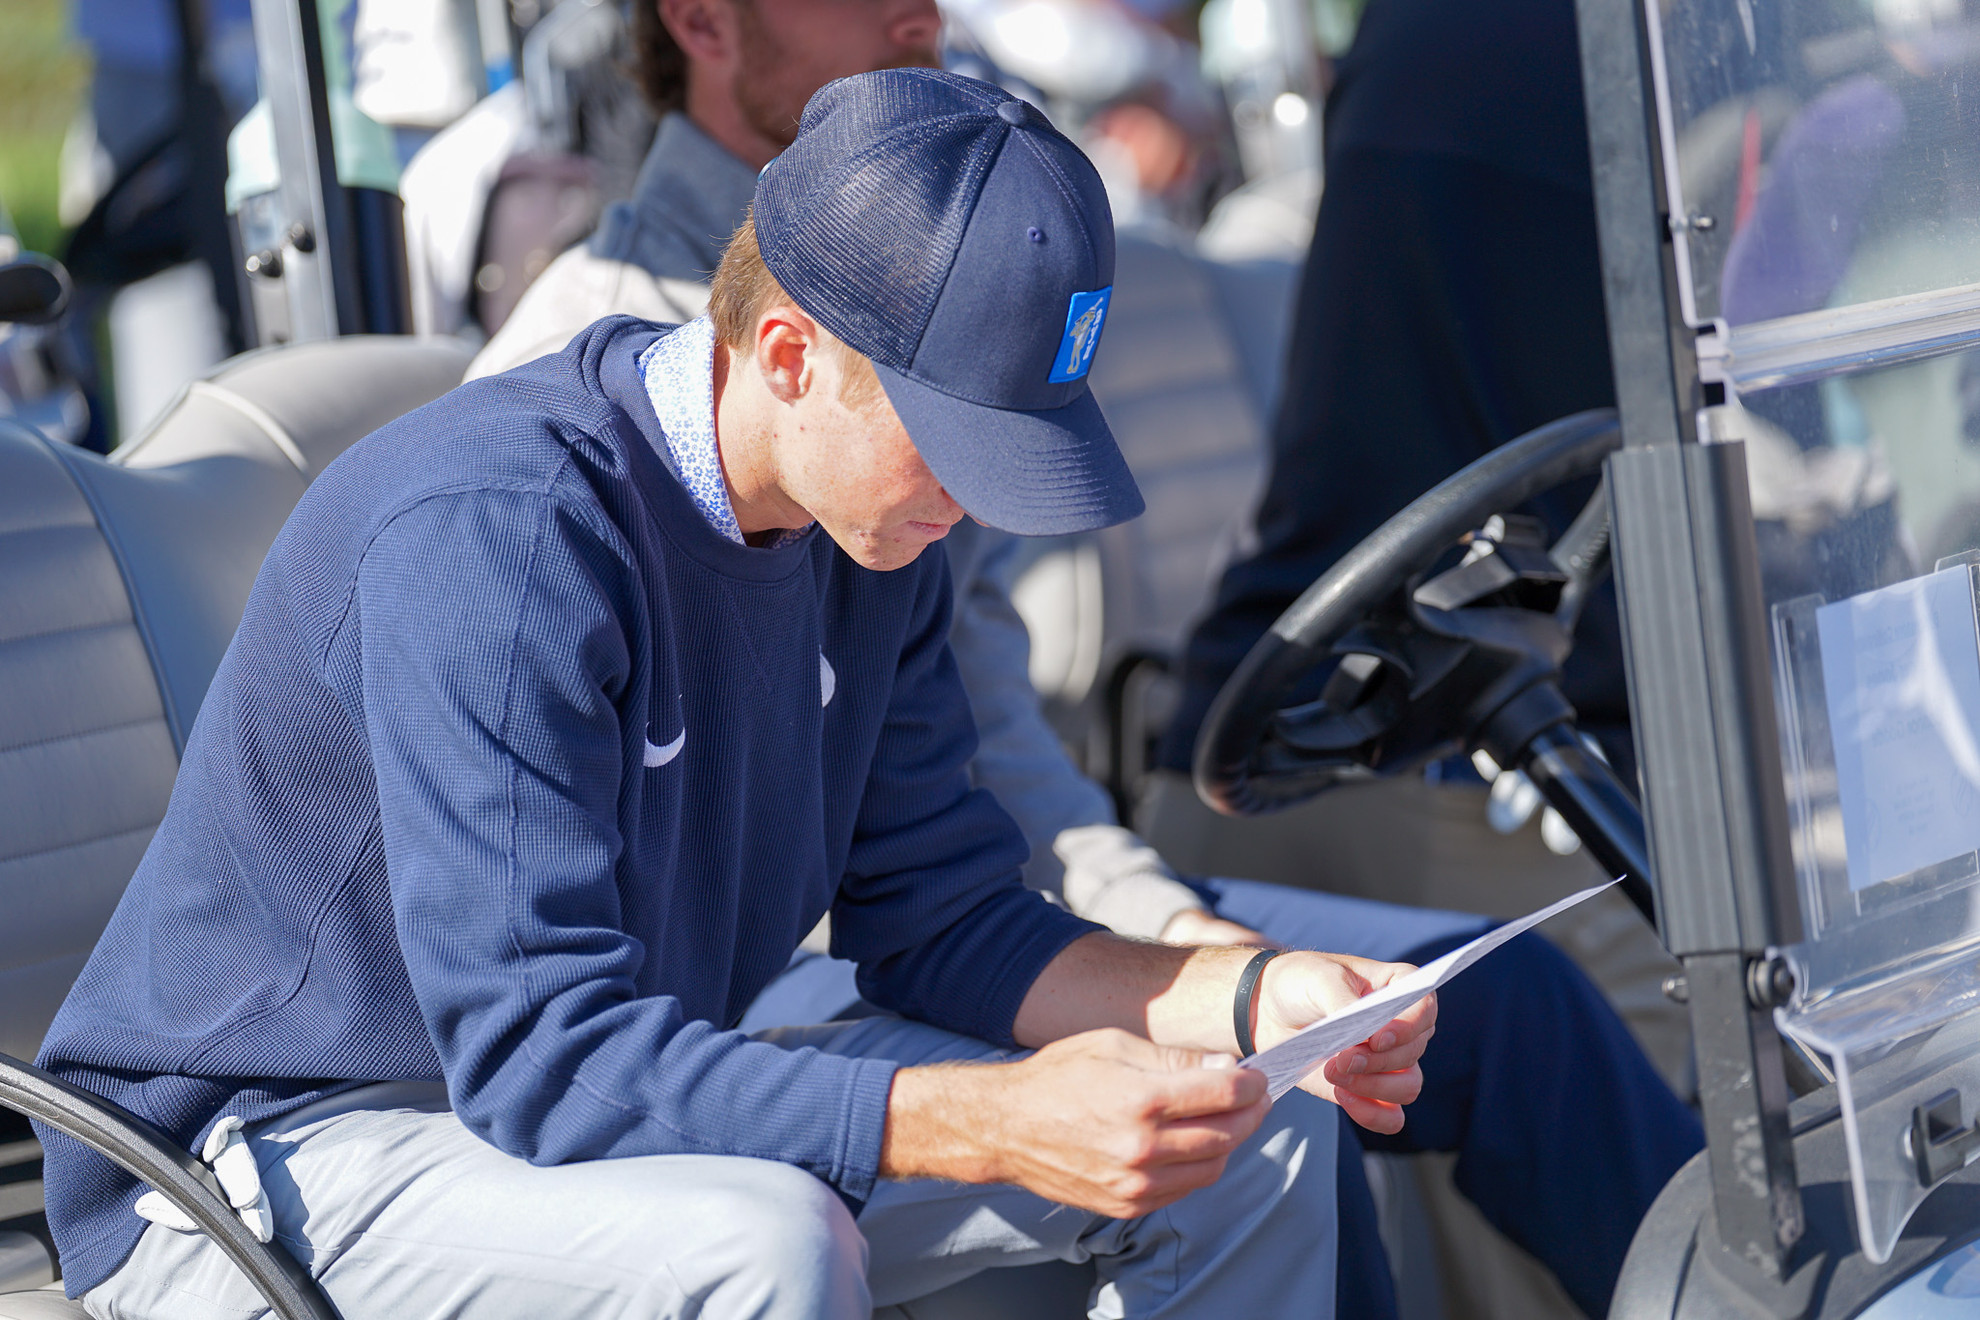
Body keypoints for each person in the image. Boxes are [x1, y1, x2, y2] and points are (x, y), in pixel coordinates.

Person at [36, 69, 1430, 1319]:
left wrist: (1244, 1000)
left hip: (586, 1085)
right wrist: (991, 1119)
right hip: (256, 1161)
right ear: (788, 355)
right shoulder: (504, 534)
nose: (973, 500)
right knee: (765, 1243)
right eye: (954, 441)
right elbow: (539, 1053)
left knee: (1249, 1131)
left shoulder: (871, 533)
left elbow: (942, 917)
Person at [470, 5, 1703, 1318]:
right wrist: (1124, 1008)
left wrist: (1191, 953)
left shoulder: (945, 325)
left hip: (965, 896)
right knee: (1244, 1112)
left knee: (1492, 1006)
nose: (919, 15)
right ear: (703, 18)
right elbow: (586, 956)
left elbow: (960, 782)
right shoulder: (584, 404)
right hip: (772, 982)